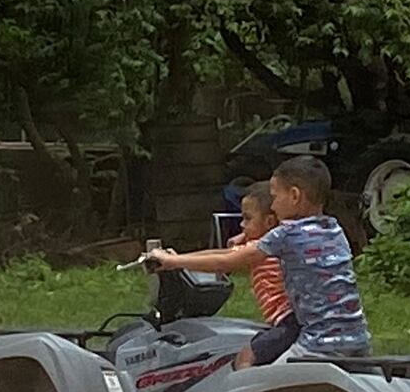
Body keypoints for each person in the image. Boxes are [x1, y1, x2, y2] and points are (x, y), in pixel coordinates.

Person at [150, 156, 371, 361]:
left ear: (294, 196)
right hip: (359, 338)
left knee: (253, 382)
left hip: (318, 343)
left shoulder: (287, 234)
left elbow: (226, 261)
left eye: (275, 197)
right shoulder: (334, 229)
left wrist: (174, 262)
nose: (273, 206)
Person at [232, 181, 298, 368]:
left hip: (288, 322)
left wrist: (175, 260)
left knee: (245, 357)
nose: (242, 224)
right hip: (288, 320)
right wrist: (242, 236)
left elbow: (224, 258)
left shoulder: (260, 249)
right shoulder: (278, 242)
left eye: (247, 219)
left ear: (269, 221)